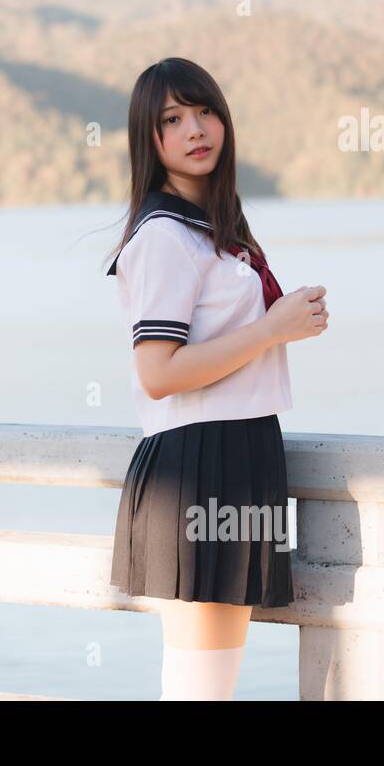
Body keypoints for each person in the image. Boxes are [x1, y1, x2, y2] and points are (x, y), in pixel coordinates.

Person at [105, 57, 329, 700]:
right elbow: (158, 373)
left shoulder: (215, 231)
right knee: (201, 684)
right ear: (149, 139)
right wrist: (272, 329)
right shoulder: (165, 236)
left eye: (204, 111)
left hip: (241, 449)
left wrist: (283, 324)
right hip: (197, 462)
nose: (195, 129)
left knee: (216, 679)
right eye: (172, 119)